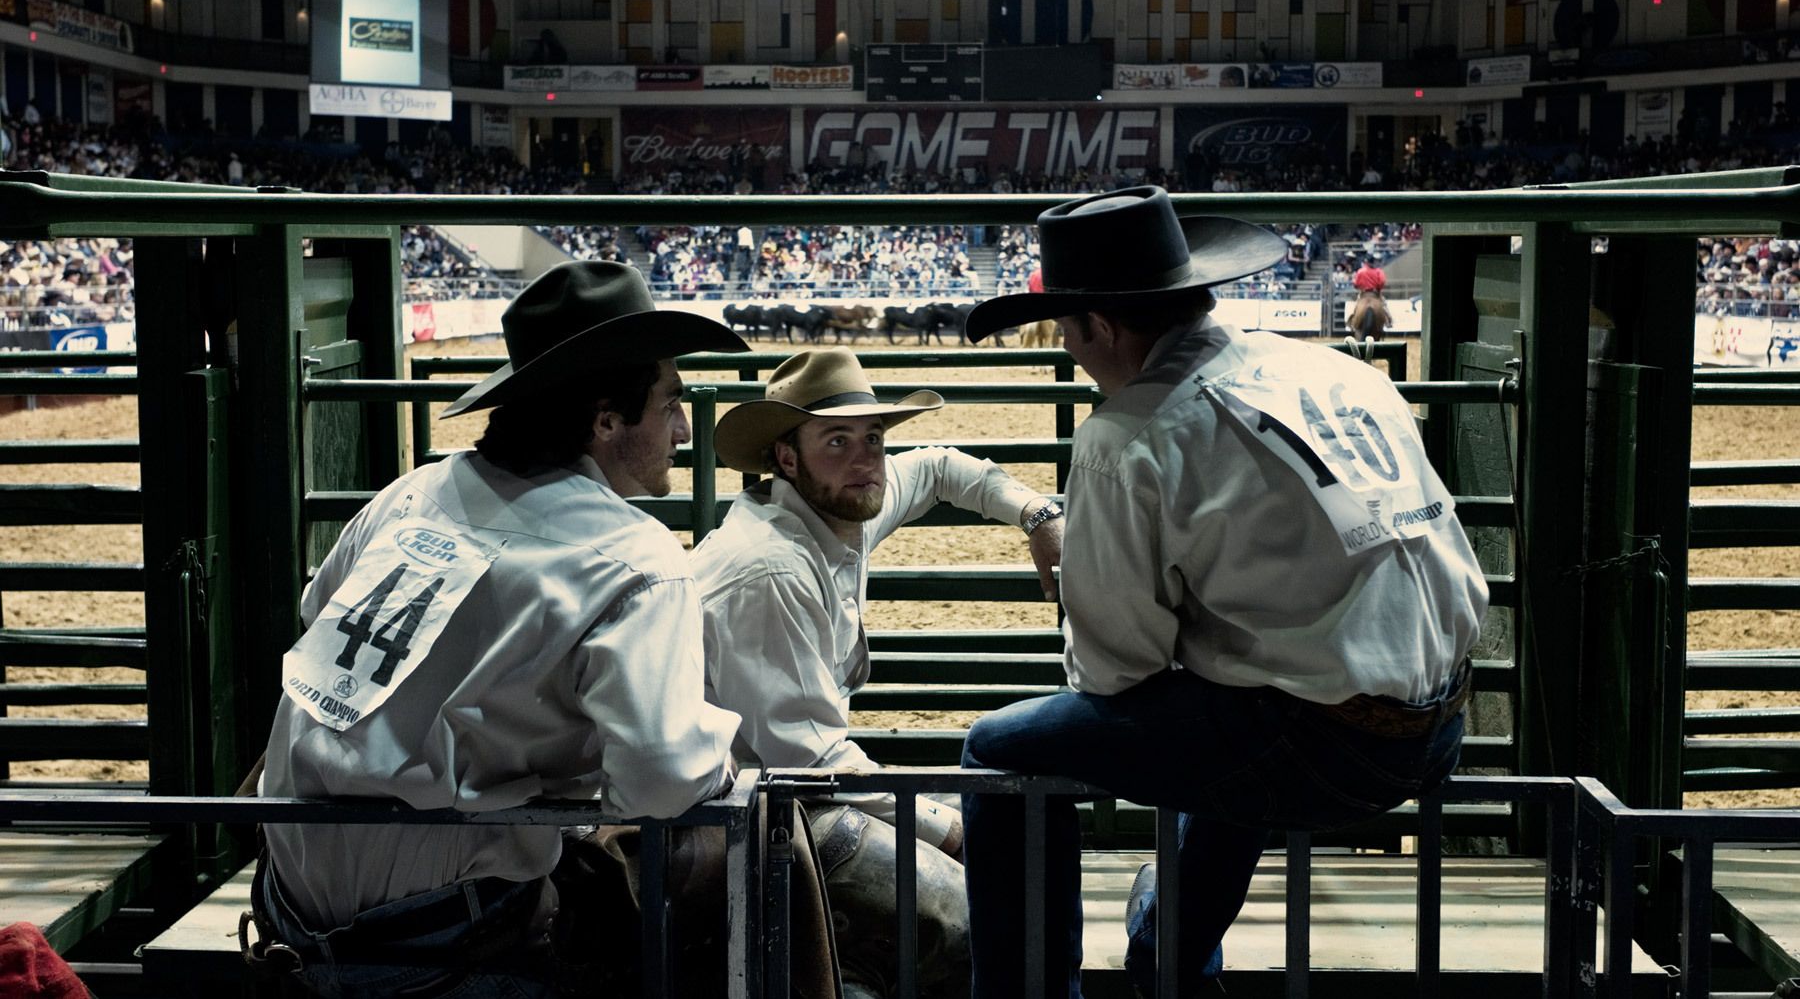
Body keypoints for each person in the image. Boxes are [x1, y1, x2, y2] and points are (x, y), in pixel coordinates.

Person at [960, 187, 1488, 999]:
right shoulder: (1338, 369)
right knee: (1238, 678)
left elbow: (1113, 671)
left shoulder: (1126, 435)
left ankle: (1036, 988)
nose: (1070, 350)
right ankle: (1171, 952)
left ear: (1101, 326)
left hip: (1320, 753)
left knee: (1000, 749)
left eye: (1068, 331)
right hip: (1445, 723)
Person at [249, 260, 751, 999]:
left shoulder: (409, 494)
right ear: (607, 418)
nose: (683, 425)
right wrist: (723, 764)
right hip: (441, 931)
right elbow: (662, 774)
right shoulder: (635, 558)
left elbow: (316, 614)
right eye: (670, 401)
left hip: (288, 901)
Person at [692, 347, 1064, 999]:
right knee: (978, 919)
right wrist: (949, 828)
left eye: (874, 437)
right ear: (786, 456)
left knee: (984, 885)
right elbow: (812, 762)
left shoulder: (836, 506)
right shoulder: (771, 569)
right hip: (752, 815)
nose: (866, 458)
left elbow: (943, 468)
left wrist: (1036, 513)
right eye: (837, 440)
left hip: (795, 791)